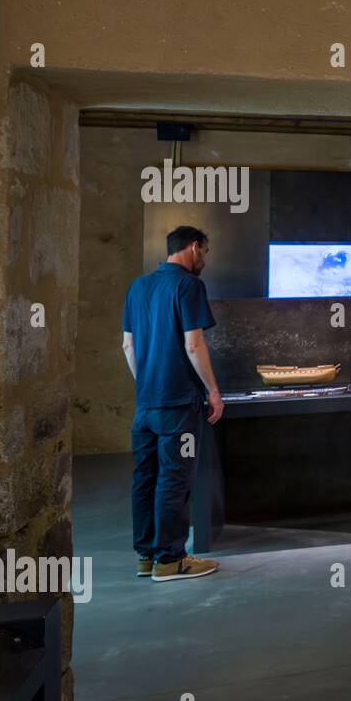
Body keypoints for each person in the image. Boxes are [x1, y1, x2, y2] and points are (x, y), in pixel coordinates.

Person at [121, 226, 224, 582]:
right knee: (175, 480)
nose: (204, 260)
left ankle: (147, 556)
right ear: (194, 247)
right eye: (205, 252)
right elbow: (193, 345)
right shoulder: (188, 285)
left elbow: (128, 347)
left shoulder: (138, 287)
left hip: (146, 405)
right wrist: (213, 390)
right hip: (179, 405)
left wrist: (147, 385)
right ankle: (171, 560)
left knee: (145, 478)